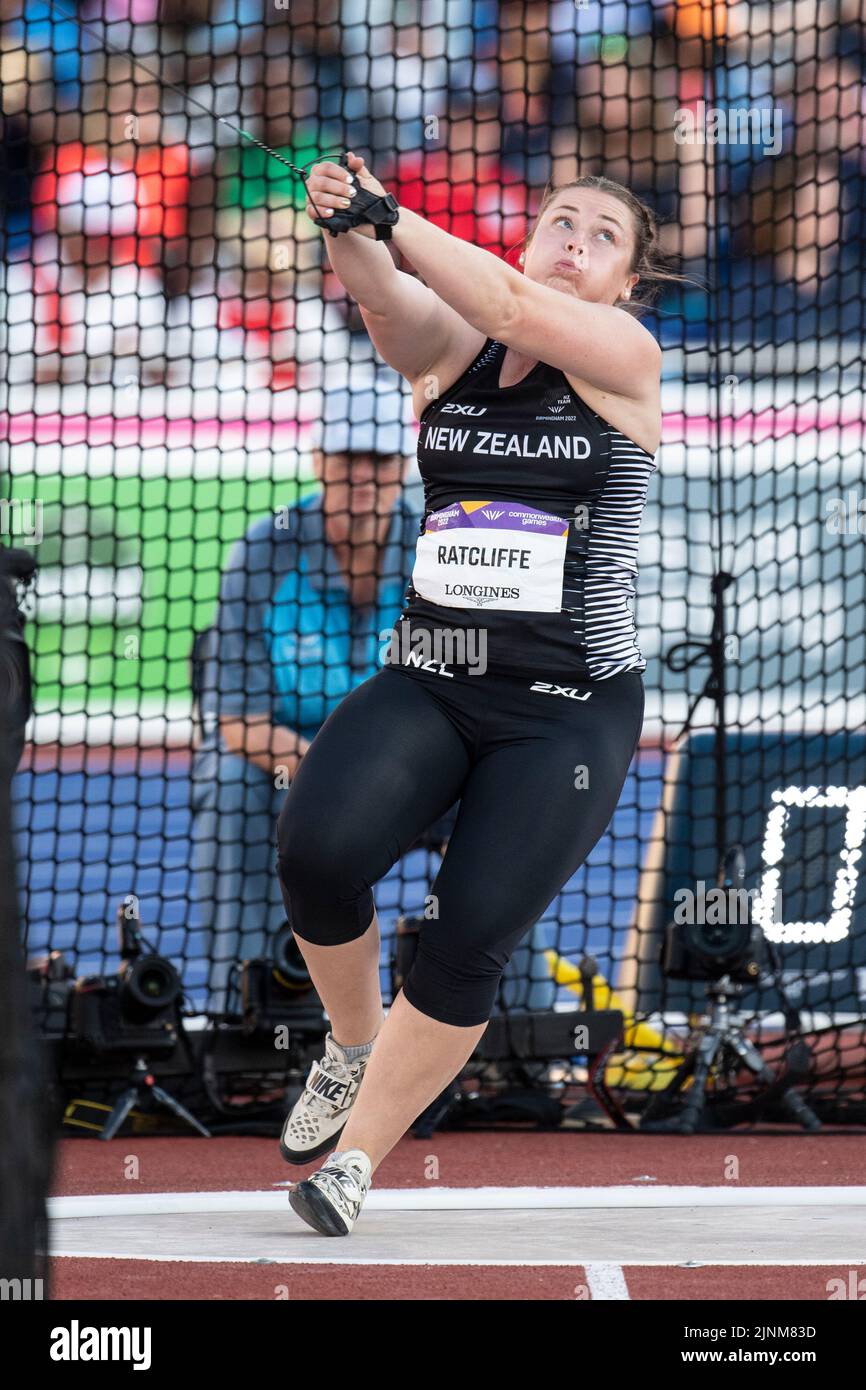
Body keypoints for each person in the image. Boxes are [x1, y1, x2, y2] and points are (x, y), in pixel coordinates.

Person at [278, 152, 664, 1237]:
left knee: (466, 936)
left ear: (625, 281)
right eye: (560, 222)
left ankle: (353, 1164)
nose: (572, 243)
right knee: (314, 853)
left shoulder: (622, 354)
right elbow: (386, 298)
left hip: (564, 708)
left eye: (600, 237)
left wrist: (387, 214)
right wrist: (341, 221)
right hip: (433, 681)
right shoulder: (455, 354)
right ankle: (350, 1050)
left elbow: (495, 291)